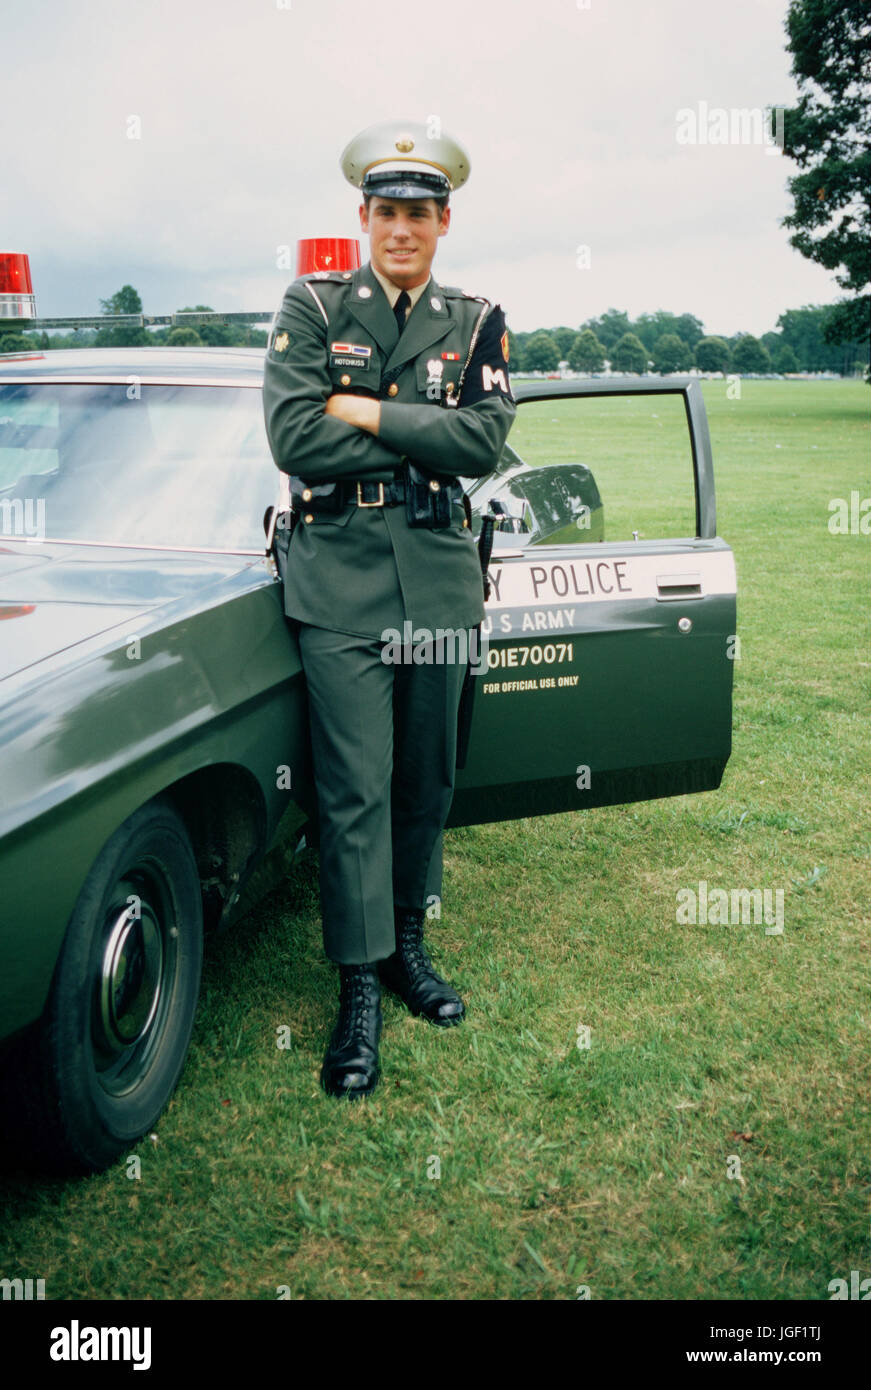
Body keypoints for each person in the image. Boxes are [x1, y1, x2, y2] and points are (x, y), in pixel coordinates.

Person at [262, 119, 515, 1099]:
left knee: (425, 781)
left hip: (439, 580)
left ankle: (409, 950)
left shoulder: (479, 315)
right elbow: (294, 438)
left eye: (420, 212)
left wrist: (362, 409)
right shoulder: (314, 306)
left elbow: (482, 444)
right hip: (341, 586)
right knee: (353, 792)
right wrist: (427, 434)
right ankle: (358, 989)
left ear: (442, 220)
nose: (402, 227)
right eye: (386, 211)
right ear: (363, 217)